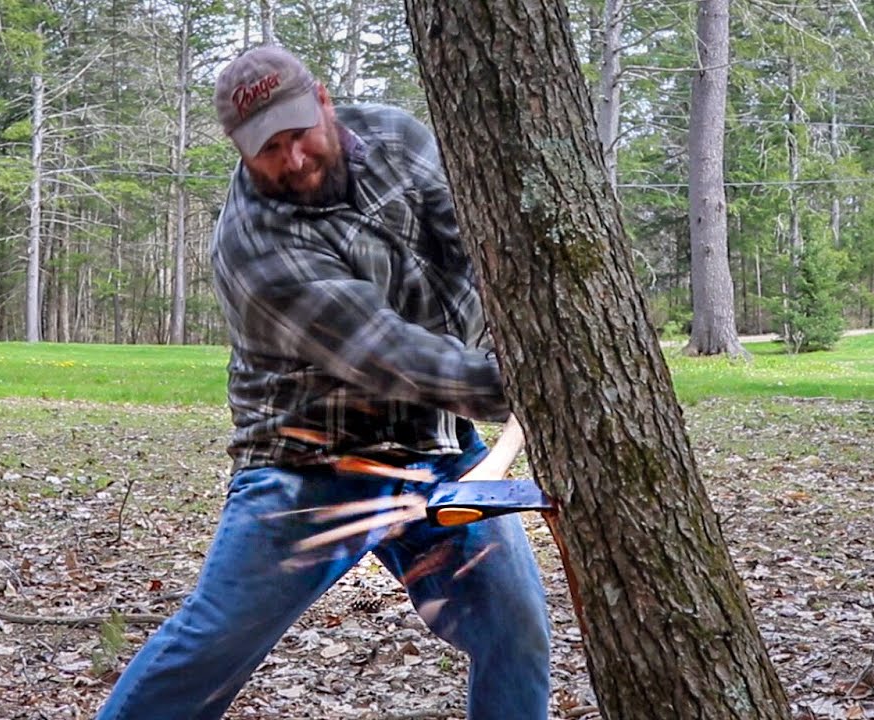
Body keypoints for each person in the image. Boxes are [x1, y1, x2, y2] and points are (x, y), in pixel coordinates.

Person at [95, 44, 551, 720]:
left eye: (298, 133)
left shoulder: (397, 138)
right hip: (308, 469)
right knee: (210, 651)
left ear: (324, 102)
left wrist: (530, 341)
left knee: (517, 633)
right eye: (268, 149)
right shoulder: (253, 245)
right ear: (240, 151)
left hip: (440, 452)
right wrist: (538, 391)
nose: (293, 158)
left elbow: (478, 248)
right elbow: (393, 355)